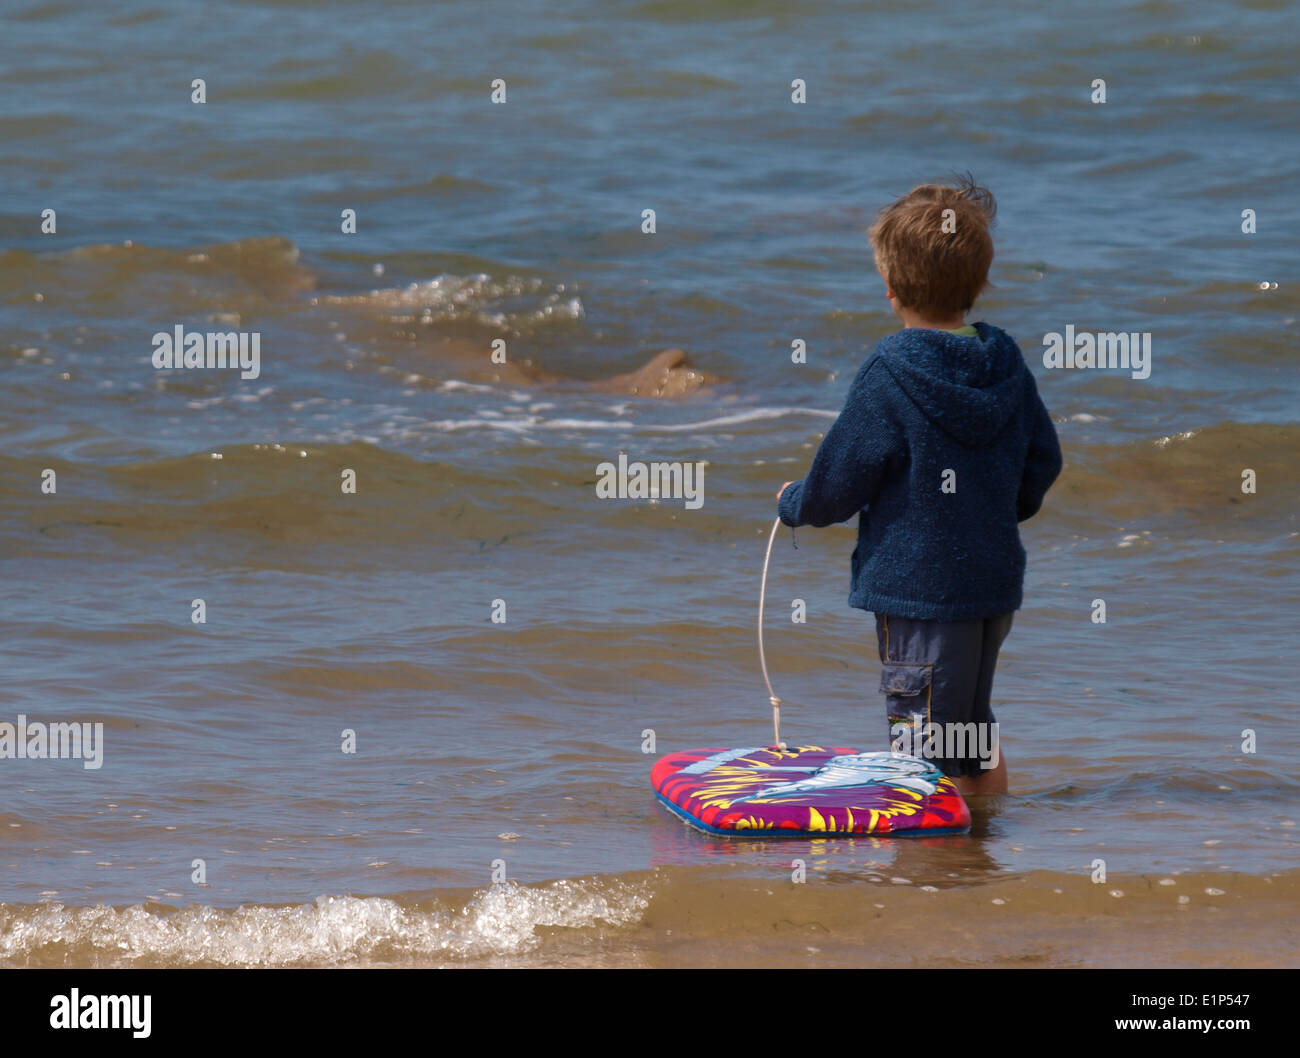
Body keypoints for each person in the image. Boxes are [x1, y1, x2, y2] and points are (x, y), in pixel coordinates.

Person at [776, 175, 1062, 796]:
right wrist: (994, 512)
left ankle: (934, 879)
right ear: (979, 282)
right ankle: (985, 843)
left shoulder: (891, 371)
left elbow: (839, 479)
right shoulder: (1005, 363)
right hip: (991, 584)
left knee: (923, 740)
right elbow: (1042, 461)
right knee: (969, 729)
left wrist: (794, 504)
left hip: (921, 592)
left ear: (890, 288)